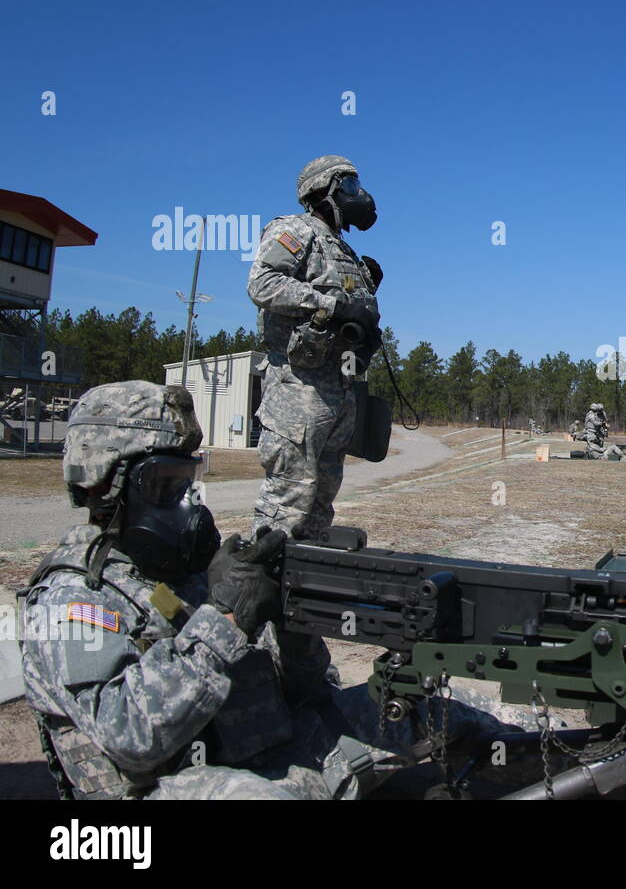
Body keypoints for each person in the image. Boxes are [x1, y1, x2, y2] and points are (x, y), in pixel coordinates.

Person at [19, 381, 515, 799]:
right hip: (172, 786)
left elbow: (297, 689)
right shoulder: (73, 598)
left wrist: (293, 626)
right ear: (101, 485)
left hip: (269, 753)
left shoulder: (187, 570)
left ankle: (573, 762)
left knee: (429, 708)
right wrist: (225, 618)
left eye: (186, 482)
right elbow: (130, 735)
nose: (185, 505)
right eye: (163, 487)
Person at [247, 155, 382, 541]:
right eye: (351, 186)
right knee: (287, 501)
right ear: (325, 189)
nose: (361, 195)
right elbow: (263, 284)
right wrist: (332, 305)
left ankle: (305, 585)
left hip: (338, 389)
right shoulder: (294, 231)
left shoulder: (341, 249)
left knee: (321, 503)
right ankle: (262, 585)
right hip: (299, 389)